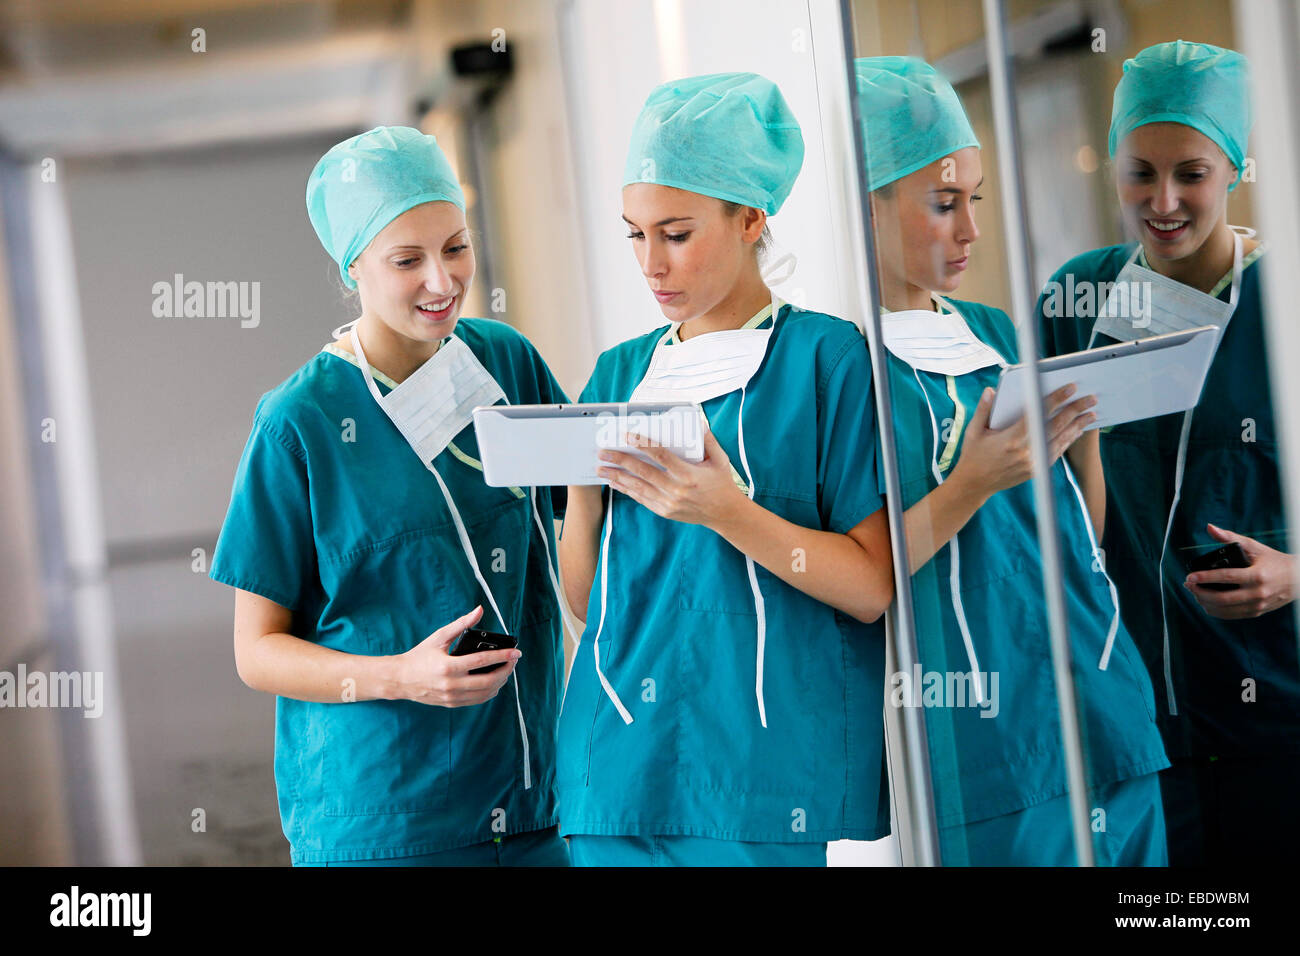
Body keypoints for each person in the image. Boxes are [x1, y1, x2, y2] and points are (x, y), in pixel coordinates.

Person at [555, 72, 895, 867]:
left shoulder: (824, 358)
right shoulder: (615, 376)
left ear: (750, 217)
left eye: (676, 233)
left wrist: (723, 509)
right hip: (612, 773)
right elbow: (585, 604)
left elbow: (872, 585)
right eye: (634, 235)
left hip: (757, 779)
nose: (651, 263)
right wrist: (578, 481)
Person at [209, 126, 570, 866]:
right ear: (353, 266)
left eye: (456, 248)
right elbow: (256, 652)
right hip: (387, 822)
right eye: (407, 260)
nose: (441, 282)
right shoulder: (299, 424)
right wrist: (400, 676)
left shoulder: (505, 362)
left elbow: (588, 515)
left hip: (536, 800)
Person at [856, 56, 1170, 865]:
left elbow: (1074, 538)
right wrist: (975, 481)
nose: (970, 230)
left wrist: (1082, 438)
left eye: (976, 202)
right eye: (944, 204)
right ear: (868, 205)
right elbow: (858, 575)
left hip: (1102, 708)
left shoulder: (996, 334)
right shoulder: (840, 361)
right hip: (982, 750)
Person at [1037, 40, 1299, 865]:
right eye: (1140, 171)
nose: (1164, 200)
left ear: (1235, 169)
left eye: (1191, 171)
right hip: (1135, 723)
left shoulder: (1284, 301)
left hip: (1277, 718)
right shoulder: (1079, 300)